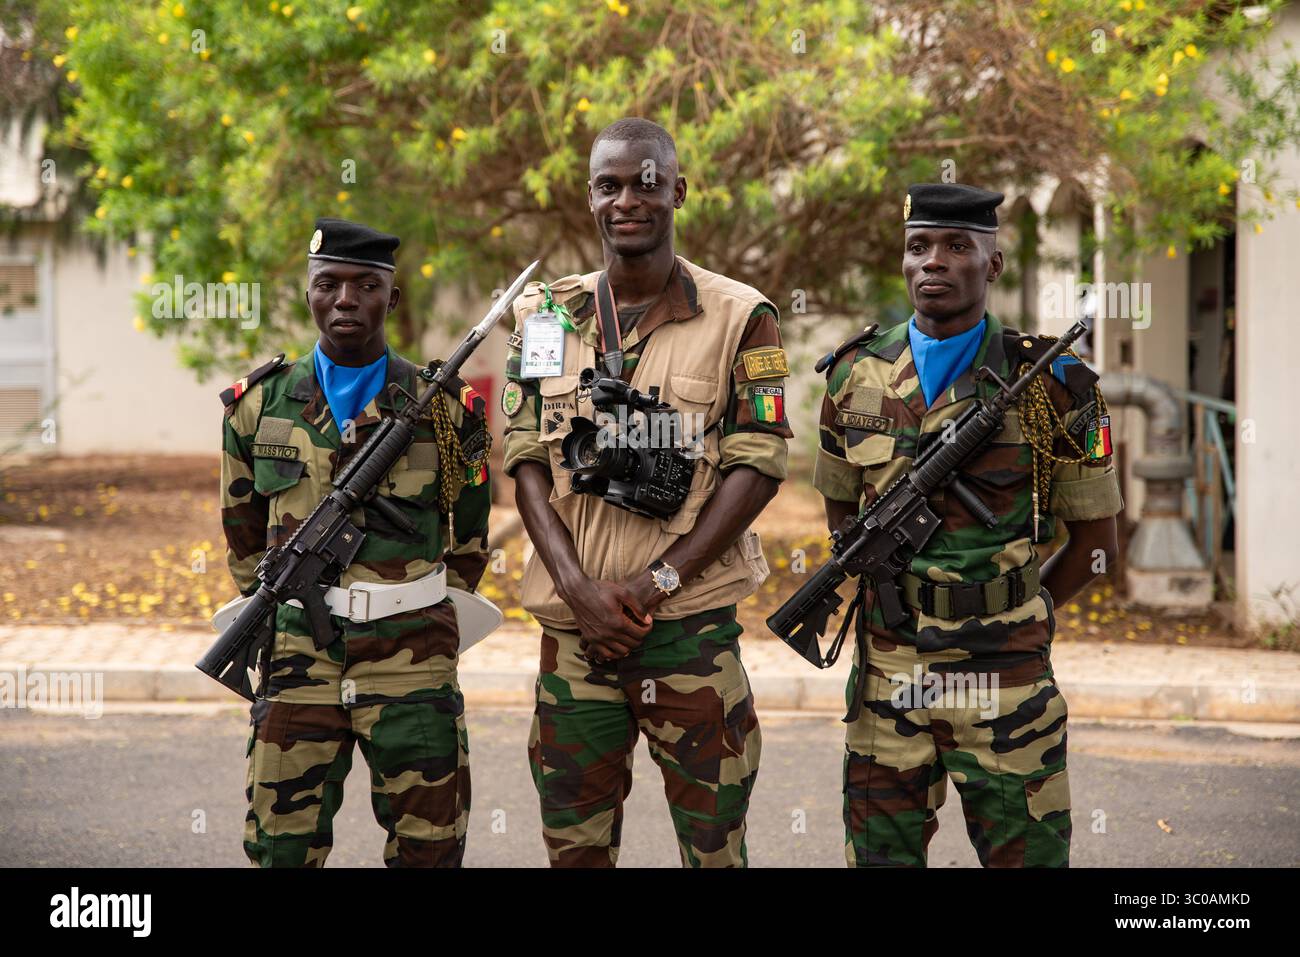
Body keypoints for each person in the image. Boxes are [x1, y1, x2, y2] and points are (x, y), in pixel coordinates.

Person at [501, 118, 792, 867]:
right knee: (575, 851)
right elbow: (525, 452)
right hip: (575, 638)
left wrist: (652, 583)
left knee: (715, 849)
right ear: (591, 198)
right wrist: (577, 588)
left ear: (678, 191)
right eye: (609, 185)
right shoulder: (546, 316)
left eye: (646, 182)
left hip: (688, 633)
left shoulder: (741, 316)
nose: (627, 199)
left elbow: (758, 463)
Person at [813, 183, 1123, 867]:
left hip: (1007, 674)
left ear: (994, 263)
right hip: (889, 673)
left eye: (958, 246)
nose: (934, 261)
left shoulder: (1055, 384)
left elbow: (1098, 546)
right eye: (919, 246)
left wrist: (1021, 605)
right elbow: (846, 523)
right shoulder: (853, 375)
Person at [219, 217, 490, 866]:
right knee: (280, 848)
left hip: (412, 657)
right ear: (308, 292)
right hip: (298, 658)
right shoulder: (258, 406)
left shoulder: (444, 411)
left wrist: (414, 611)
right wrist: (292, 603)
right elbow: (242, 535)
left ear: (391, 298)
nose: (346, 299)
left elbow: (471, 541)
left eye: (366, 286)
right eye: (328, 283)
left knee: (430, 846)